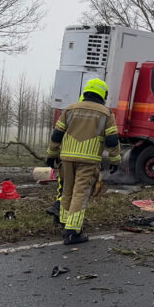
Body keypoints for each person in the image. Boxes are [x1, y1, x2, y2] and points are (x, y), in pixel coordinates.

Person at [45, 78, 121, 245]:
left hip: (66, 158)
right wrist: (115, 160)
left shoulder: (70, 109)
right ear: (103, 94)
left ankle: (65, 225)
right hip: (89, 160)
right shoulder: (106, 113)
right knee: (80, 193)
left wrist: (51, 154)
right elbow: (112, 140)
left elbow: (57, 134)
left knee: (67, 192)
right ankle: (73, 233)